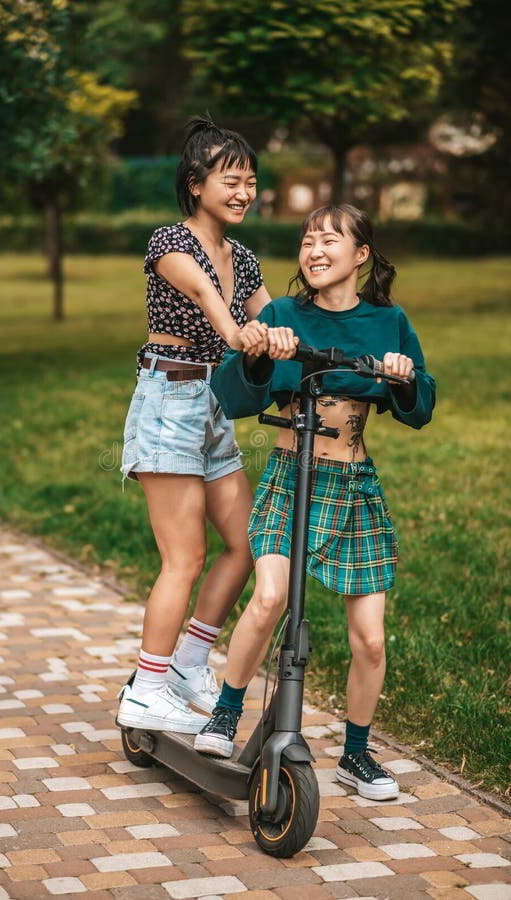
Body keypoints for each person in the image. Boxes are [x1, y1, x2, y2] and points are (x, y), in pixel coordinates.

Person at [194, 203, 436, 801]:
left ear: (361, 255)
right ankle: (225, 713)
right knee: (271, 596)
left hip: (353, 485)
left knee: (371, 638)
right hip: (289, 476)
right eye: (307, 240)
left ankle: (356, 755)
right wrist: (258, 349)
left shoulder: (389, 322)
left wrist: (403, 376)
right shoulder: (282, 315)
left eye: (330, 239)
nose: (315, 250)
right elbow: (230, 391)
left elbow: (422, 405)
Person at [118, 115, 272, 734]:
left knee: (248, 544)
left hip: (213, 405)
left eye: (251, 181)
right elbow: (208, 297)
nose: (243, 192)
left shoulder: (245, 257)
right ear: (196, 183)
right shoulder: (168, 243)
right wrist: (239, 334)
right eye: (231, 180)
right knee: (184, 557)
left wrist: (312, 331)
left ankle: (186, 664)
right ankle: (146, 689)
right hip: (168, 400)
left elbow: (278, 316)